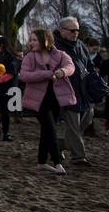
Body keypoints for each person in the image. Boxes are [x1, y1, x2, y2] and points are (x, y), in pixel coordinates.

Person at [20, 28, 75, 174]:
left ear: (46, 40)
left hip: (56, 98)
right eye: (31, 40)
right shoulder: (30, 57)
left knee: (46, 130)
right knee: (50, 128)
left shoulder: (60, 54)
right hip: (37, 100)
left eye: (35, 40)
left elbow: (71, 66)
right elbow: (24, 75)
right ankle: (57, 162)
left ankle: (41, 162)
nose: (32, 43)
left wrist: (62, 72)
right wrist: (47, 74)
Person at [53, 16, 95, 167]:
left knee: (87, 118)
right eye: (72, 30)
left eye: (77, 29)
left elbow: (89, 64)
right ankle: (78, 157)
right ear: (61, 30)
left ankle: (58, 144)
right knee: (74, 125)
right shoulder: (55, 47)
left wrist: (94, 78)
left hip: (84, 90)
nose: (75, 33)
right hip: (67, 91)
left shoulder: (81, 46)